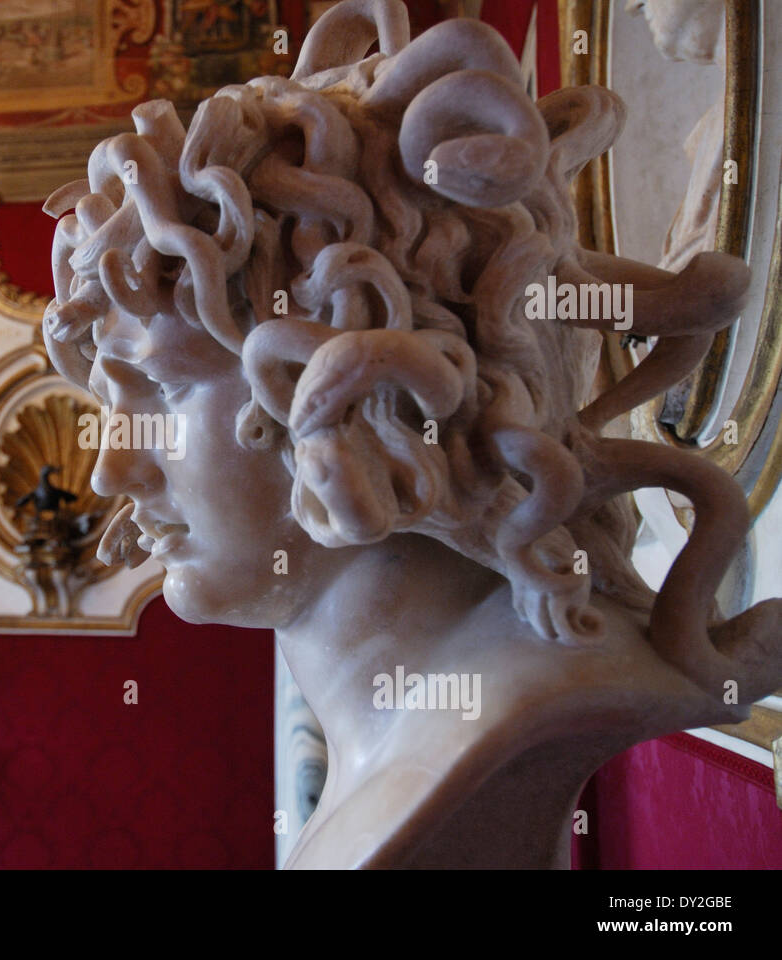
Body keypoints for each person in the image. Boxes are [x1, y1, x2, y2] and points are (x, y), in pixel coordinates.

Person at [41, 0, 782, 867]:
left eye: (163, 390)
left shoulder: (504, 718)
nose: (112, 472)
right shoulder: (410, 733)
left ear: (365, 373)